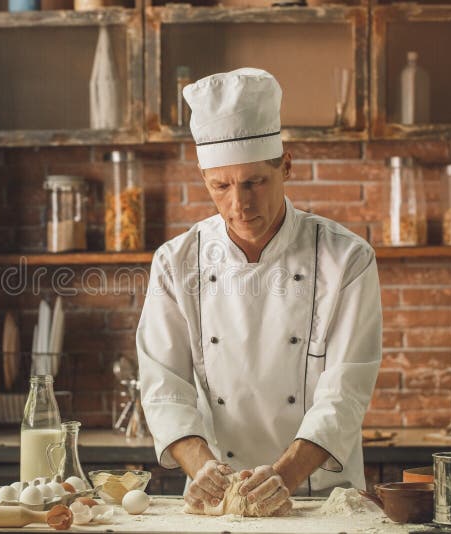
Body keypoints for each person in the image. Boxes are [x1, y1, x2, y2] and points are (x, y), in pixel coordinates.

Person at [136, 68, 383, 516]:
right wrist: (202, 468)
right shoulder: (176, 262)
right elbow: (163, 387)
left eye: (254, 182)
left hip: (320, 502)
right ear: (204, 179)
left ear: (285, 166)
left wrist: (284, 477)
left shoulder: (346, 259)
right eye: (221, 186)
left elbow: (345, 391)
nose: (239, 205)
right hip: (219, 500)